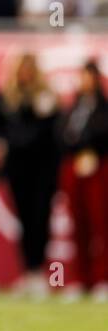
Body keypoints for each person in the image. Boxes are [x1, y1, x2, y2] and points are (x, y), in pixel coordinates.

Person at [0, 53, 60, 296]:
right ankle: (28, 271)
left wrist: (17, 141)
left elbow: (50, 133)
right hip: (17, 168)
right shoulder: (4, 98)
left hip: (42, 168)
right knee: (24, 219)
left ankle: (39, 272)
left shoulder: (46, 98)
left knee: (40, 218)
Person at [58, 61, 108, 300]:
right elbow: (62, 135)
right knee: (77, 225)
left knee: (100, 225)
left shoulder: (103, 108)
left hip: (97, 169)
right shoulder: (73, 108)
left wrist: (92, 151)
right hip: (74, 169)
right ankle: (79, 278)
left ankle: (102, 278)